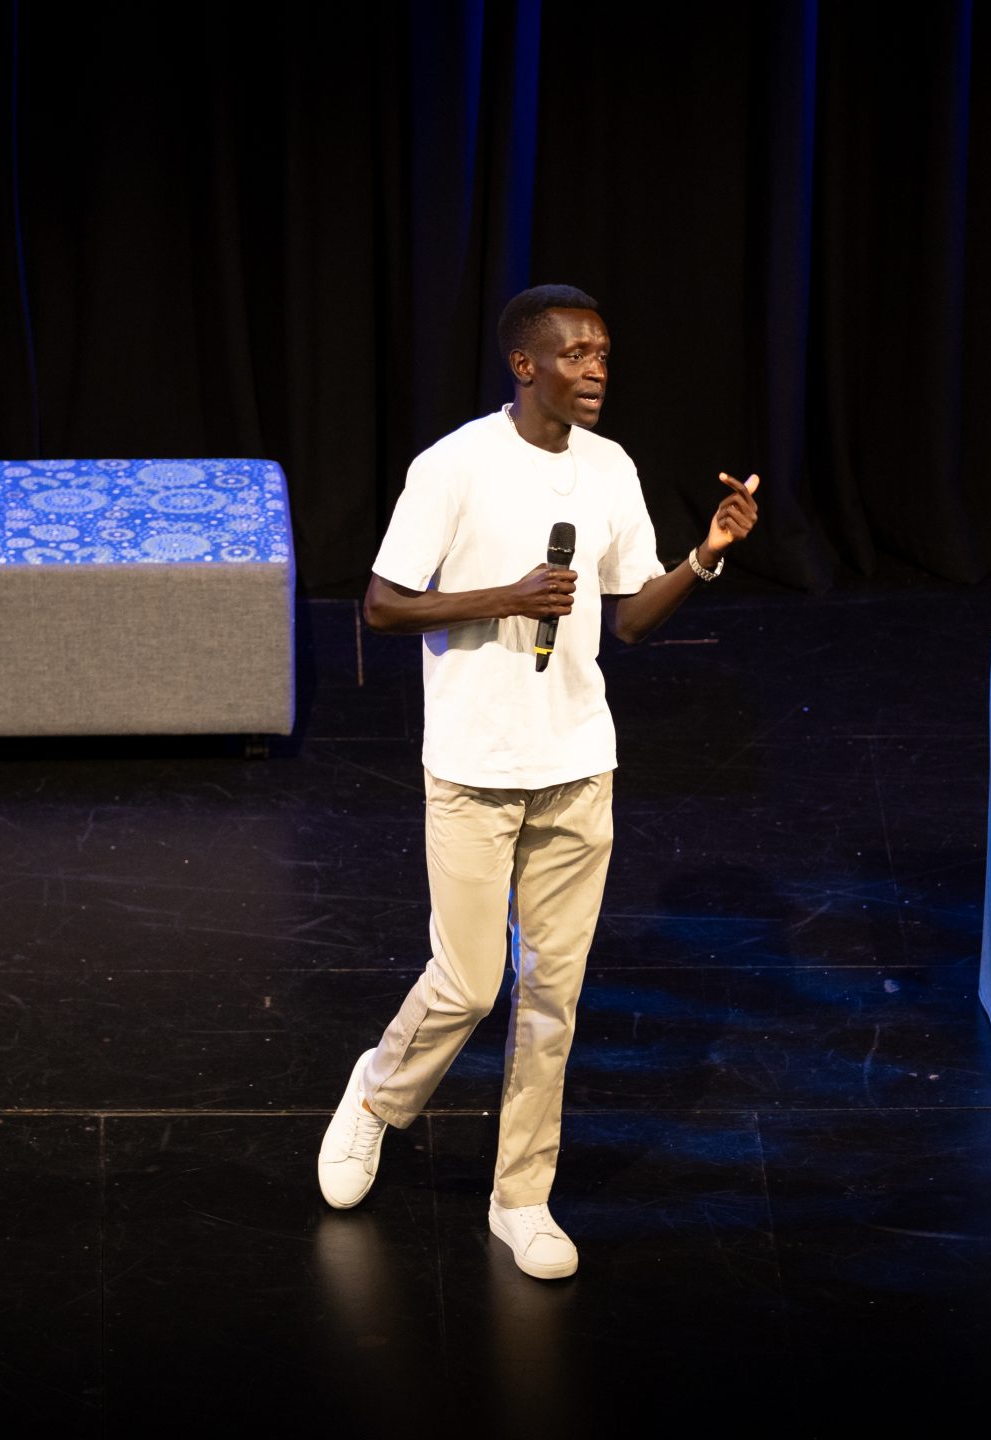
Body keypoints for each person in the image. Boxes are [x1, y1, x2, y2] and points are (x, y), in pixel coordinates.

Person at [315, 283, 759, 1280]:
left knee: (550, 997)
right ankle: (378, 1095)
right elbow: (383, 609)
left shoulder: (609, 470)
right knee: (469, 984)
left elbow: (633, 617)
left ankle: (521, 1196)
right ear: (525, 364)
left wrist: (706, 556)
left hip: (576, 765)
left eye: (603, 353)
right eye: (576, 354)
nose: (596, 370)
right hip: (473, 767)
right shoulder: (455, 466)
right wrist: (505, 597)